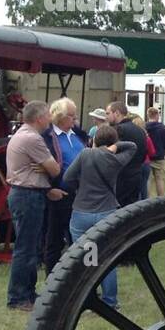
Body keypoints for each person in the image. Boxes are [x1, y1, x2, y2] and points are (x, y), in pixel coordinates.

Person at [63, 125, 136, 310]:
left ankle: (89, 298)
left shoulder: (85, 154)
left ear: (94, 140)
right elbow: (133, 146)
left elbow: (67, 177)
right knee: (107, 258)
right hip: (107, 211)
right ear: (113, 142)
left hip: (82, 211)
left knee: (88, 259)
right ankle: (110, 300)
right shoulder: (116, 159)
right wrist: (115, 146)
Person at [5, 101, 60, 311]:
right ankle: (18, 297)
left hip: (24, 194)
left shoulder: (22, 134)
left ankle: (27, 293)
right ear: (39, 118)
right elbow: (54, 169)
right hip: (28, 195)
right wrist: (46, 167)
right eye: (47, 115)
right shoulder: (33, 139)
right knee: (26, 249)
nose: (50, 119)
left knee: (28, 247)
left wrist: (43, 168)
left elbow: (47, 167)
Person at [41, 97, 89, 275]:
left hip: (81, 193)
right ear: (59, 116)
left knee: (81, 239)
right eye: (71, 115)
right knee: (54, 239)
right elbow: (40, 166)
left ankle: (80, 278)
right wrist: (48, 189)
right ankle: (52, 280)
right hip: (60, 193)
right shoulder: (47, 137)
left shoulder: (78, 135)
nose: (74, 119)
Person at [105, 101, 149, 208]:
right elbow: (144, 153)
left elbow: (110, 154)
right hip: (136, 174)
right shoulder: (140, 130)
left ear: (117, 113)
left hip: (121, 177)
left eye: (108, 113)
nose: (106, 117)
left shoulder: (118, 130)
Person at [145, 107, 165, 197]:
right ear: (157, 115)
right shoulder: (162, 128)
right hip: (159, 157)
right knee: (159, 179)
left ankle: (147, 199)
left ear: (148, 115)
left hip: (147, 156)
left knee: (147, 180)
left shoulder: (145, 127)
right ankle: (161, 199)